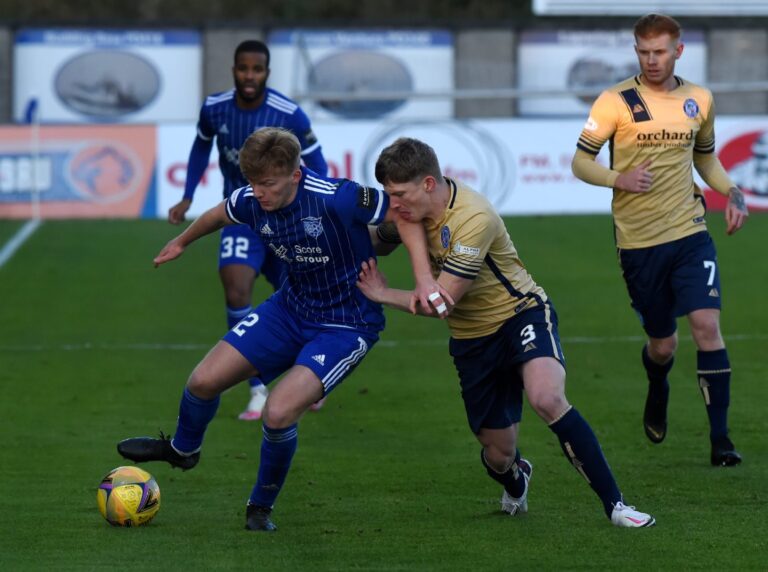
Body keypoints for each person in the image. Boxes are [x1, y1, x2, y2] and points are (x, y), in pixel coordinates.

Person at [117, 128, 441, 532]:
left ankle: (260, 506)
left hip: (346, 324)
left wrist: (423, 279)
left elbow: (402, 214)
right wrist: (182, 242)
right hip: (290, 309)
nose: (259, 193)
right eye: (253, 183)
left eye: (268, 183)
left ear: (295, 175)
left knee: (278, 411)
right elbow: (221, 211)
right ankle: (184, 450)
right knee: (202, 381)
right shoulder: (252, 199)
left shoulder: (336, 196)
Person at [357, 137, 655, 528]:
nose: (392, 202)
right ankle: (517, 479)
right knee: (499, 455)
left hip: (520, 315)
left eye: (398, 193)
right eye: (387, 193)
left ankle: (617, 506)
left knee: (547, 398)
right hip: (471, 340)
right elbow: (376, 240)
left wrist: (382, 294)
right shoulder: (409, 213)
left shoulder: (472, 218)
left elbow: (441, 303)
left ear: (428, 184)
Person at [571, 13, 748, 466]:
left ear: (678, 51)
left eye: (660, 52)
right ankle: (657, 381)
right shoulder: (614, 101)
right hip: (638, 242)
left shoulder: (699, 100)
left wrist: (734, 192)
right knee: (663, 344)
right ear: (637, 51)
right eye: (644, 52)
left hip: (690, 232)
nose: (652, 60)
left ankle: (721, 441)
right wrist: (619, 179)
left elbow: (706, 161)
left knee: (707, 327)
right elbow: (580, 162)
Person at [168, 39, 329, 420]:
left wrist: (320, 212)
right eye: (244, 69)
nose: (250, 76)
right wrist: (188, 195)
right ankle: (256, 388)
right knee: (236, 282)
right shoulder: (214, 108)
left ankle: (313, 376)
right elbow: (199, 148)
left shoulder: (288, 114)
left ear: (267, 73)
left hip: (287, 222)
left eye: (257, 70)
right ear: (234, 70)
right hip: (241, 217)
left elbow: (317, 161)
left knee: (301, 298)